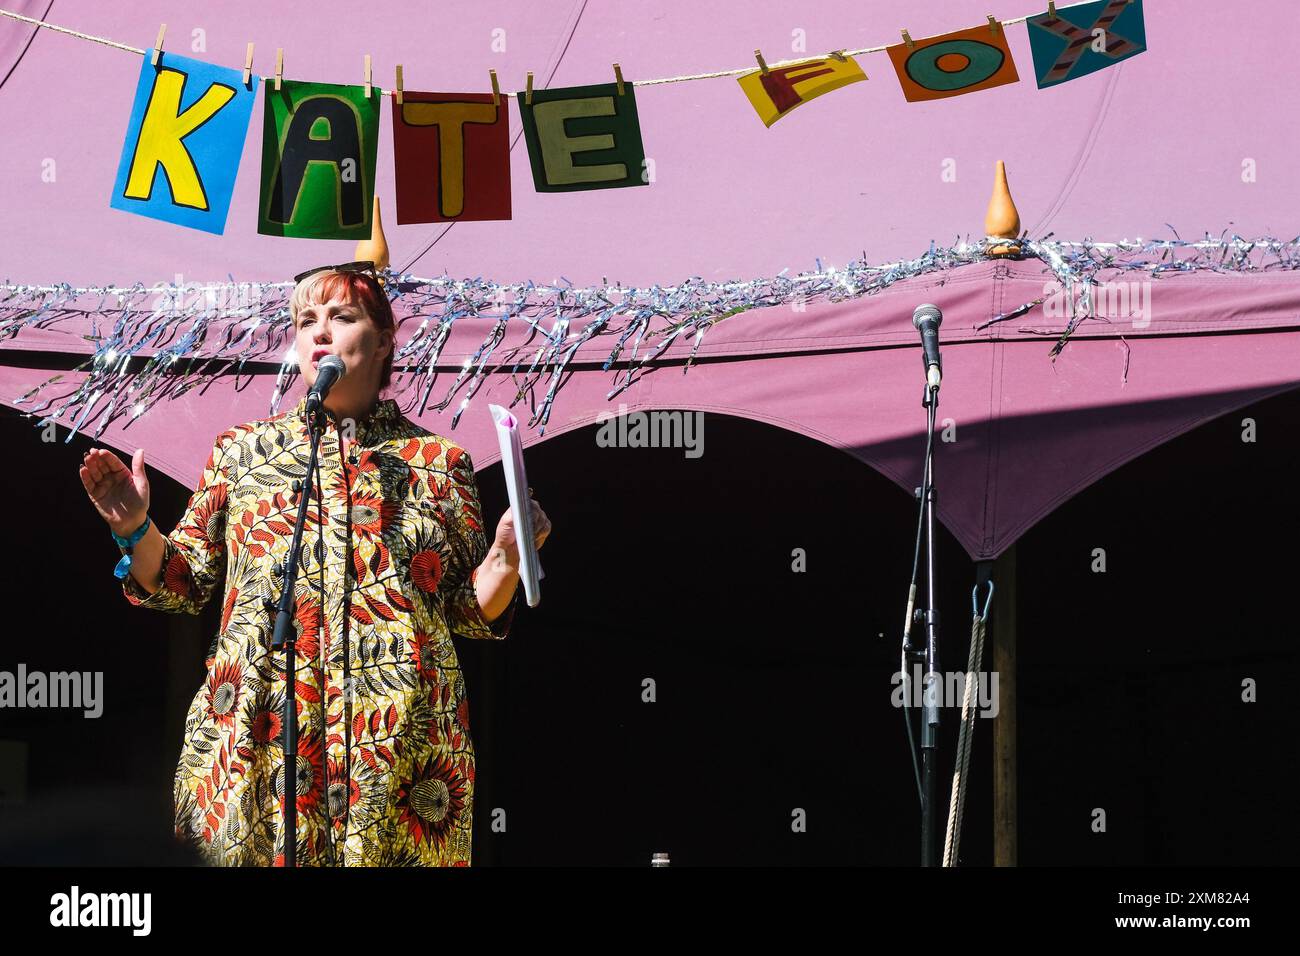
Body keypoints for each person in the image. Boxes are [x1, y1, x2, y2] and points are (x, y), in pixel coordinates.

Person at [79, 263, 551, 866]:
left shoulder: (439, 462)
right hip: (260, 739)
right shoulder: (244, 453)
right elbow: (182, 581)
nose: (319, 333)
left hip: (396, 748)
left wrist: (507, 559)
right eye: (306, 321)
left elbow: (468, 610)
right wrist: (134, 527)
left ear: (384, 341)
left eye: (341, 317)